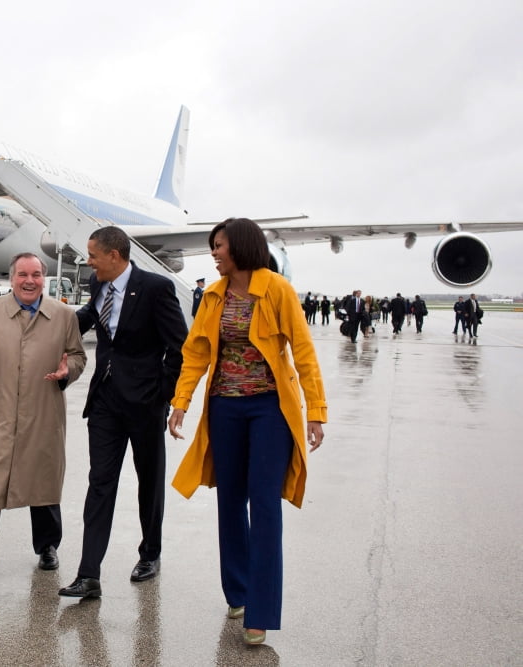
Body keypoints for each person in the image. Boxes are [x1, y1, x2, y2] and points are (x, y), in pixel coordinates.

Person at [166, 217, 327, 646]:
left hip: (269, 409)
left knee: (265, 505)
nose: (214, 252)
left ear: (240, 247)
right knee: (230, 500)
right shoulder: (213, 295)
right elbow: (196, 353)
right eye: (212, 246)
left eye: (219, 245)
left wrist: (316, 411)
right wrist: (181, 402)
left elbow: (304, 351)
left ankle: (261, 611)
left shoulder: (276, 289)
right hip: (224, 409)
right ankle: (237, 592)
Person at [58, 226, 188, 600]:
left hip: (145, 404)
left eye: (93, 255)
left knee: (149, 481)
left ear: (114, 256)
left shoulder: (155, 288)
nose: (88, 261)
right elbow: (83, 319)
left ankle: (151, 553)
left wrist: (162, 394)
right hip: (105, 402)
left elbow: (178, 347)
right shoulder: (100, 286)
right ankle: (88, 575)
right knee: (100, 482)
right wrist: (38, 318)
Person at [0, 253, 86, 581]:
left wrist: (70, 370)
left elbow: (79, 355)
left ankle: (47, 547)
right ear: (12, 278)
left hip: (43, 412)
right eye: (23, 274)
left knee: (43, 482)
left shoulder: (63, 315)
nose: (30, 280)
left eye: (37, 274)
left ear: (44, 278)